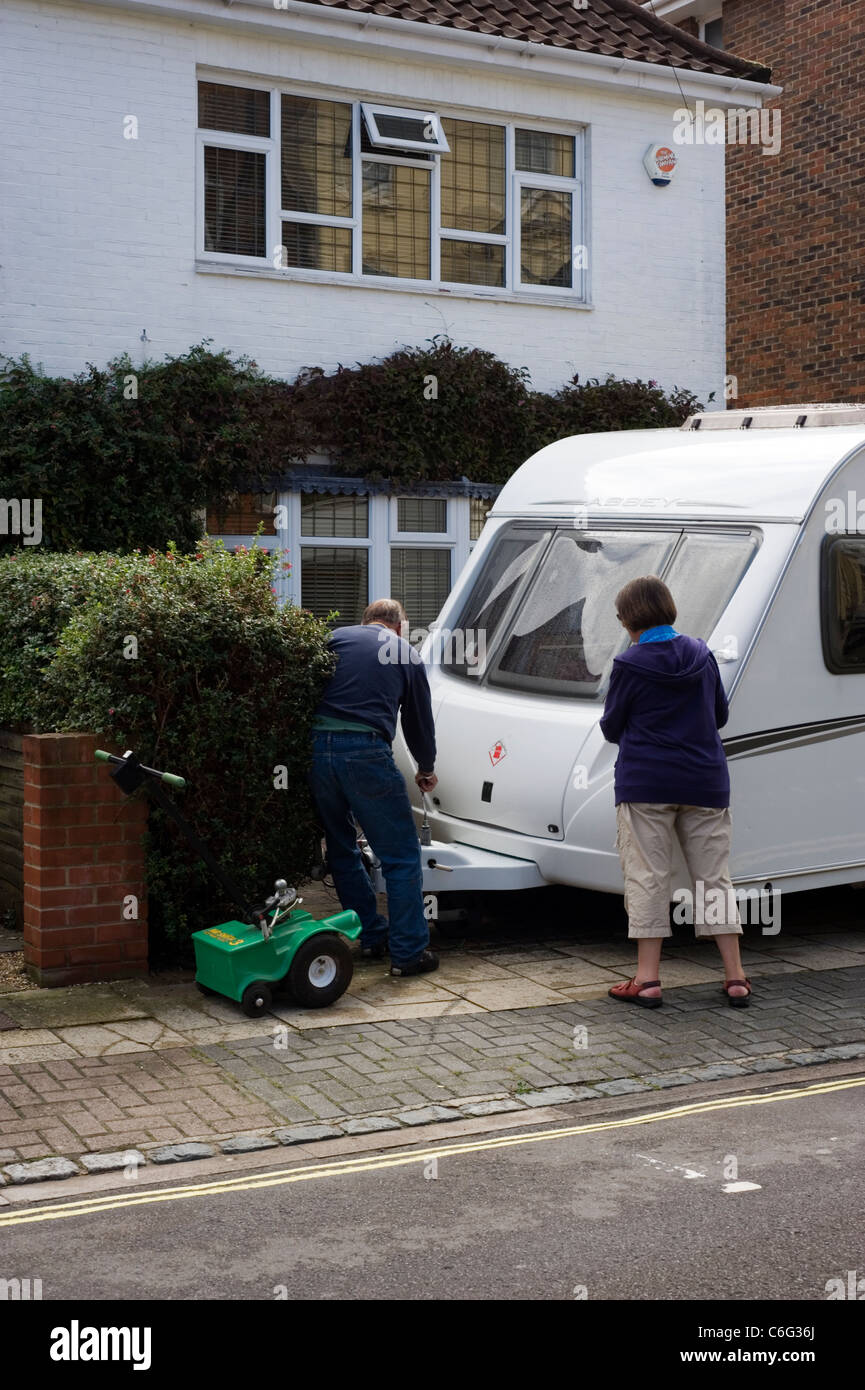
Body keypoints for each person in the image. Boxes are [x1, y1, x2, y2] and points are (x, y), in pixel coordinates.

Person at [599, 576, 751, 1009]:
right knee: (714, 879)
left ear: (629, 620)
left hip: (647, 782)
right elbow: (719, 715)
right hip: (705, 780)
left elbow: (611, 727)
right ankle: (736, 977)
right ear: (669, 609)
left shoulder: (629, 664)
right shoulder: (703, 655)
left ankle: (647, 981)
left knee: (648, 876)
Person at [309, 598, 439, 977]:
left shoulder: (334, 639)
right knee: (400, 856)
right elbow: (419, 721)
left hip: (318, 752)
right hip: (366, 752)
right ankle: (408, 954)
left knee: (342, 849)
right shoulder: (404, 651)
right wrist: (426, 768)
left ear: (366, 622)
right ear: (398, 626)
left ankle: (371, 936)